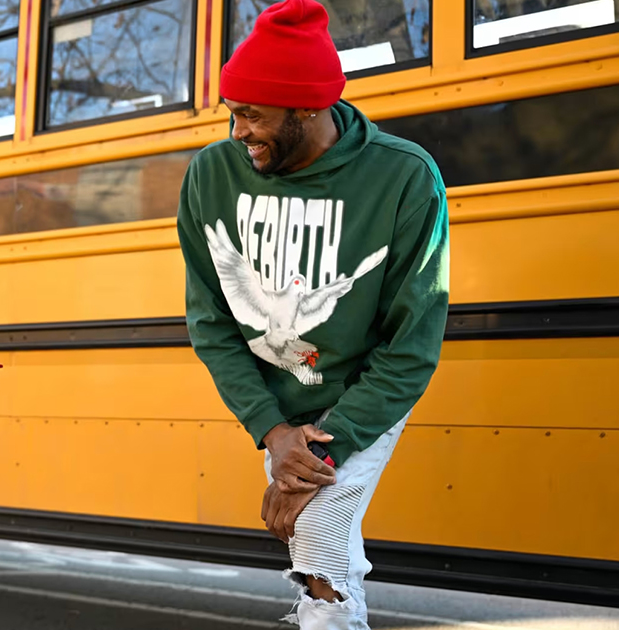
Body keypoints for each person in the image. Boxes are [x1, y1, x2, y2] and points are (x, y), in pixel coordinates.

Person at [175, 0, 450, 627]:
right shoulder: (213, 175)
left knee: (317, 530)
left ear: (307, 108)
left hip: (363, 393)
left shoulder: (404, 177)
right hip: (280, 404)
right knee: (322, 551)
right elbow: (212, 323)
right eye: (232, 113)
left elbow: (411, 344)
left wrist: (315, 460)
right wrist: (274, 433)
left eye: (252, 114)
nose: (237, 131)